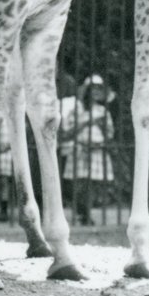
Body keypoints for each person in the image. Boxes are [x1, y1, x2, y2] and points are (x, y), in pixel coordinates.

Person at [59, 73, 114, 225]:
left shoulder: (104, 111)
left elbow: (109, 134)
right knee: (78, 184)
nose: (96, 92)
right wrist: (86, 123)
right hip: (80, 149)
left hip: (96, 150)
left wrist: (101, 124)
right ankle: (82, 211)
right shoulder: (77, 109)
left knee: (93, 184)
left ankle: (86, 213)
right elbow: (67, 132)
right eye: (93, 89)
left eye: (99, 89)